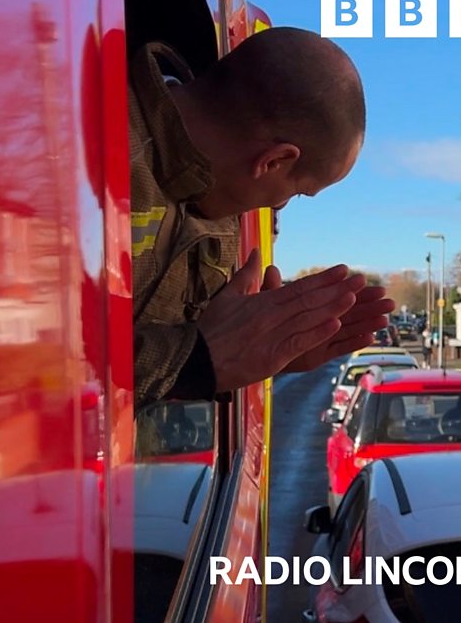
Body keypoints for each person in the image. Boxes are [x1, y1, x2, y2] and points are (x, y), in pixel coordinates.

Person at [129, 27, 394, 411]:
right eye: (298, 191)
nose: (280, 207)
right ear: (274, 161)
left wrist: (265, 352)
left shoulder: (215, 206)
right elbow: (27, 361)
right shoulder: (78, 154)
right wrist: (198, 362)